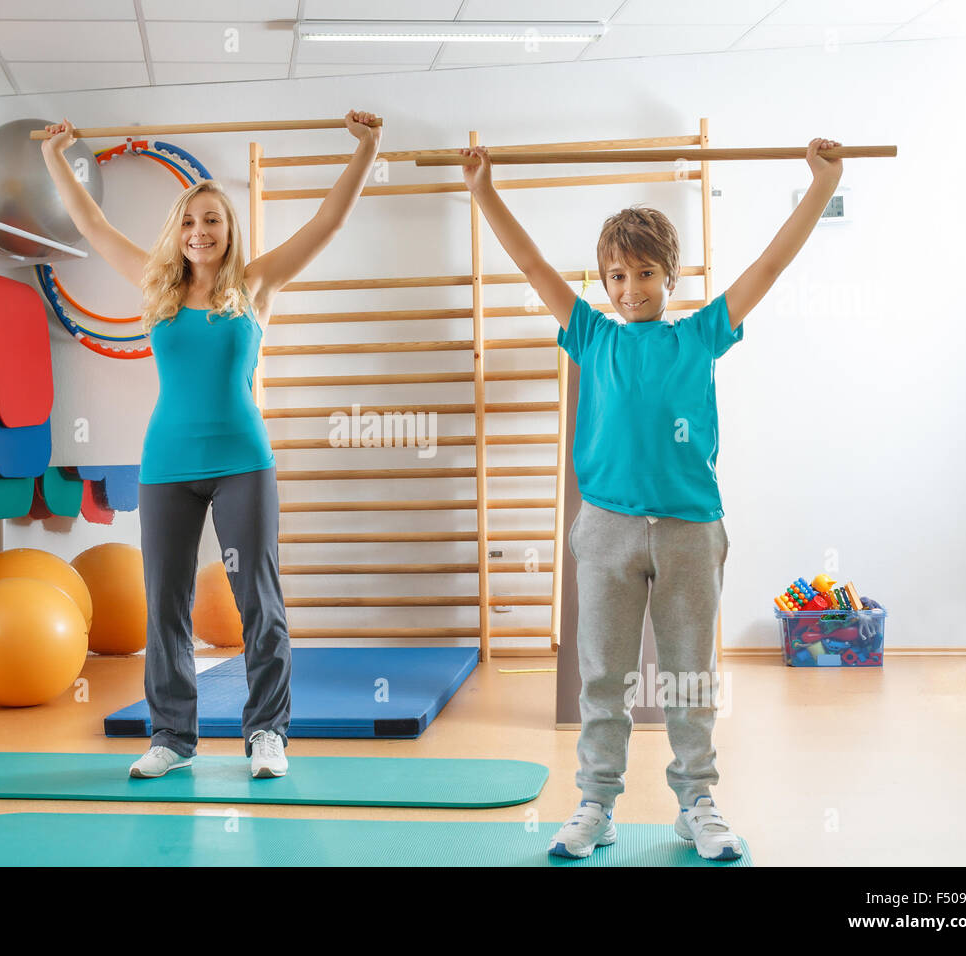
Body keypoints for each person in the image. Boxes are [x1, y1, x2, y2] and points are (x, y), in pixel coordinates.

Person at [460, 137, 844, 861]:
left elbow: (768, 266)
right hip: (606, 528)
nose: (631, 288)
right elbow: (532, 264)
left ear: (670, 275)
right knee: (602, 678)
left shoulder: (699, 335)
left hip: (690, 530)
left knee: (689, 677)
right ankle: (596, 804)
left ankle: (696, 801)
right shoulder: (589, 334)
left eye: (644, 273)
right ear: (603, 282)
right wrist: (483, 191)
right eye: (617, 275)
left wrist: (822, 187)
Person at [41, 110, 383, 780]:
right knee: (165, 604)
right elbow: (92, 224)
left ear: (229, 231)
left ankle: (267, 734)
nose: (200, 231)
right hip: (166, 464)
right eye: (190, 221)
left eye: (213, 221)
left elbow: (327, 223)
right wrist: (57, 156)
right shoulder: (157, 286)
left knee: (259, 601)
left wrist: (367, 150)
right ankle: (172, 736)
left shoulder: (254, 284)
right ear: (178, 232)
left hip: (242, 463)